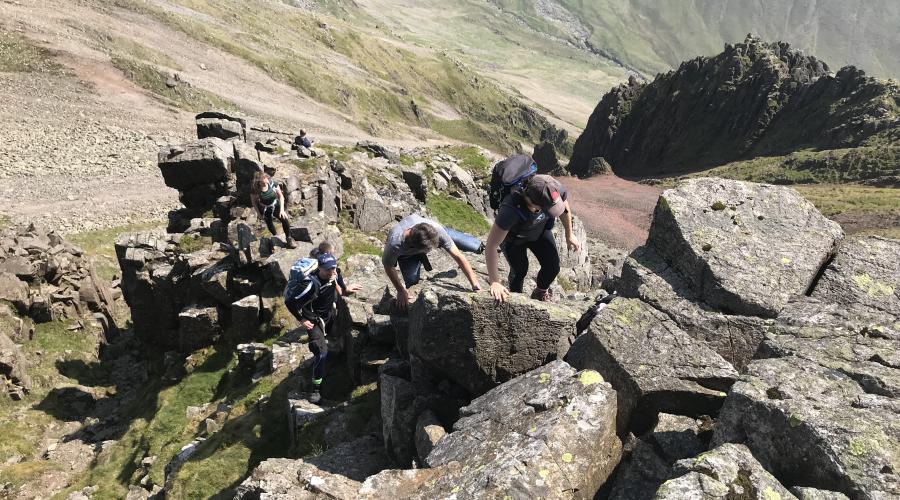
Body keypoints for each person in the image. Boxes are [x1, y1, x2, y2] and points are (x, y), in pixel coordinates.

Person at [485, 174, 580, 303]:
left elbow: (563, 206)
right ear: (531, 201)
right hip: (514, 240)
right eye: (546, 209)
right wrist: (494, 281)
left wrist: (569, 234)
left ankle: (540, 291)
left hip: (539, 232)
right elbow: (491, 245)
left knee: (552, 267)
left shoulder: (553, 188)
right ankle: (516, 300)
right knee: (520, 271)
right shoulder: (510, 209)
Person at [284, 252, 358, 403]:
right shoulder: (311, 285)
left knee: (342, 337)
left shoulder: (335, 274)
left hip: (330, 314)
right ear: (320, 269)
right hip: (314, 321)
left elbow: (341, 288)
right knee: (322, 354)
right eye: (328, 269)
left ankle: (336, 358)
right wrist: (301, 319)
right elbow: (289, 302)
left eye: (333, 267)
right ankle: (316, 388)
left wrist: (345, 290)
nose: (332, 271)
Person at [382, 214, 481, 310]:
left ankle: (457, 236)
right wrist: (400, 291)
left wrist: (474, 283)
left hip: (434, 232)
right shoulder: (395, 244)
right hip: (407, 255)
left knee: (476, 246)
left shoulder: (435, 230)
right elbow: (388, 266)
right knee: (412, 282)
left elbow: (458, 256)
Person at [250, 171, 296, 248]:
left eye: (266, 177)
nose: (267, 178)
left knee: (284, 219)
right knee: (269, 223)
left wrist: (282, 210)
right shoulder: (255, 189)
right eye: (264, 178)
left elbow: (281, 196)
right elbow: (254, 202)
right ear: (260, 181)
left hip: (276, 205)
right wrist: (258, 214)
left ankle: (289, 238)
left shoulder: (272, 183)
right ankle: (276, 237)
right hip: (264, 208)